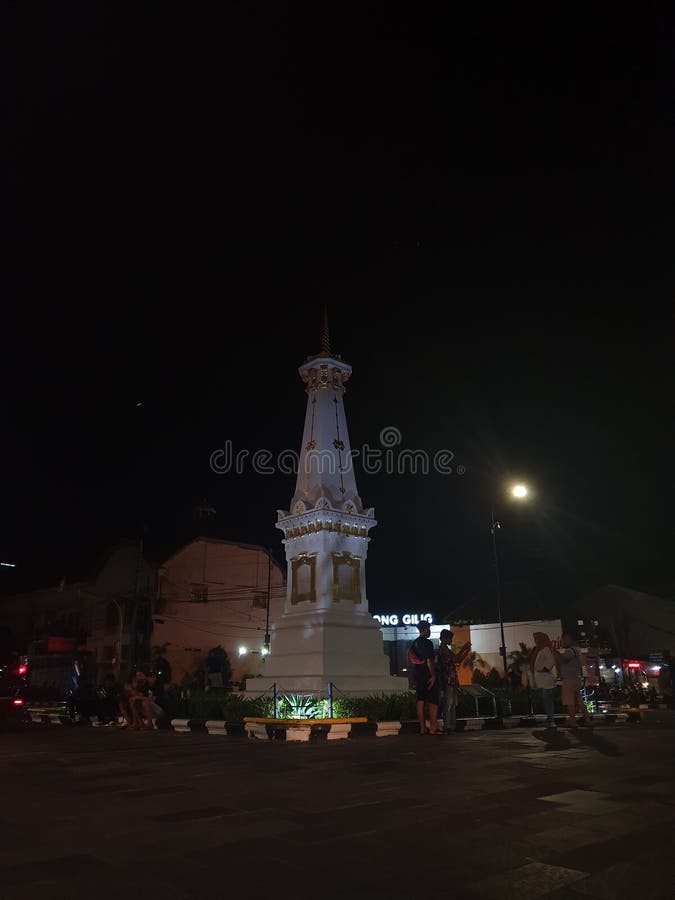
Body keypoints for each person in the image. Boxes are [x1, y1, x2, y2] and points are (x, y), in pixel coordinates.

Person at [436, 629, 470, 734]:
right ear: (445, 639)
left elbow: (457, 660)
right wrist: (464, 649)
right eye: (450, 638)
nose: (451, 640)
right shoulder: (442, 650)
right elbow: (455, 659)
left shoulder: (445, 649)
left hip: (451, 679)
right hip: (448, 680)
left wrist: (466, 651)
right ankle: (448, 726)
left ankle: (451, 726)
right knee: (449, 704)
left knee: (452, 703)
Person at [409, 621, 440, 734]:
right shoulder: (427, 643)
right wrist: (433, 675)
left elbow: (412, 658)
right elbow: (429, 660)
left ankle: (422, 727)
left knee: (420, 699)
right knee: (433, 700)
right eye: (429, 629)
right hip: (427, 674)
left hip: (417, 673)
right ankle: (433, 727)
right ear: (426, 629)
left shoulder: (414, 643)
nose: (430, 631)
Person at [554, 633, 590, 728]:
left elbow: (563, 660)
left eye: (563, 640)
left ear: (569, 639)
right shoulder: (576, 650)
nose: (562, 642)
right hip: (575, 678)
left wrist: (555, 652)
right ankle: (587, 719)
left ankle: (573, 721)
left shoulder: (570, 650)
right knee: (579, 700)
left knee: (569, 702)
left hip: (569, 679)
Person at [531, 632, 557, 727]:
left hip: (546, 682)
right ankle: (549, 719)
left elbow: (551, 660)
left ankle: (550, 720)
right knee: (546, 701)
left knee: (547, 701)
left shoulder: (545, 649)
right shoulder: (540, 650)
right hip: (542, 682)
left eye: (537, 639)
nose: (535, 641)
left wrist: (544, 669)